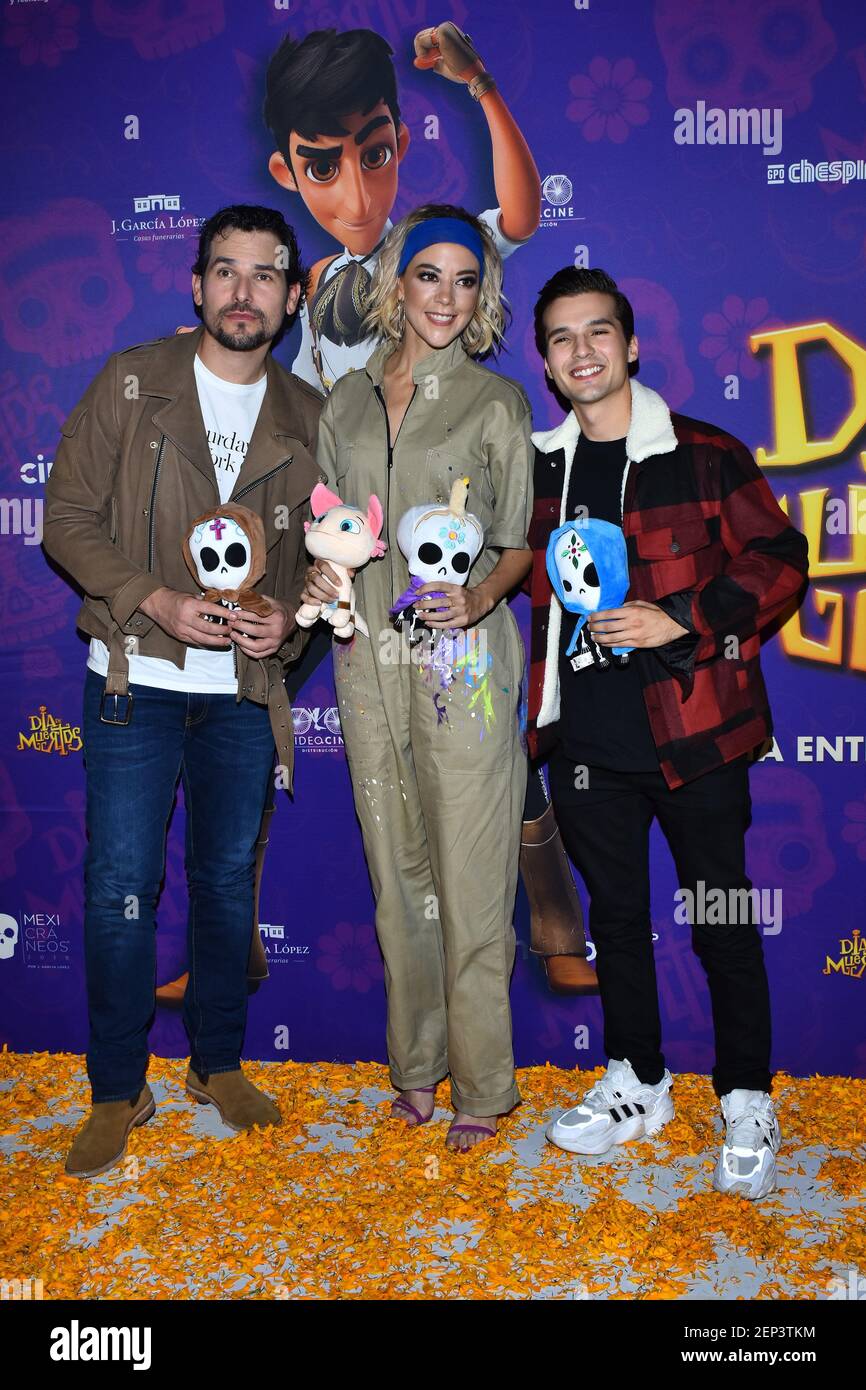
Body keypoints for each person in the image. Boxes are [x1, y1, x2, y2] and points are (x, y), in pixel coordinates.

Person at [43, 205, 322, 1178]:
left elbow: (323, 566)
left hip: (242, 691)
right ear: (196, 285)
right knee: (121, 887)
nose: (242, 292)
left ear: (292, 298)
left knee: (220, 884)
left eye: (264, 275)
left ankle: (216, 1066)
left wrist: (286, 616)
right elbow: (67, 518)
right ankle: (119, 1087)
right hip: (136, 677)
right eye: (225, 271)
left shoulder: (309, 416)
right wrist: (149, 597)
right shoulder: (131, 382)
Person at [524, 268, 808, 1198]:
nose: (583, 352)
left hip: (699, 740)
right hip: (588, 747)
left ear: (632, 345)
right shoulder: (541, 469)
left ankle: (746, 1097)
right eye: (563, 339)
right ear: (549, 363)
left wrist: (681, 614)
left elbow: (779, 560)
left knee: (722, 921)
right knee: (616, 921)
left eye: (598, 332)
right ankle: (638, 1082)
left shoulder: (706, 453)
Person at [301, 205, 533, 1150]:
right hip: (368, 661)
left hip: (464, 666)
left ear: (481, 296)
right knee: (397, 879)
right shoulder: (343, 402)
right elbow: (332, 526)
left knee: (472, 881)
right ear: (395, 284)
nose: (445, 295)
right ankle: (416, 1067)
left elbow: (517, 543)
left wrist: (479, 603)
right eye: (428, 275)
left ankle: (484, 1085)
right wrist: (322, 573)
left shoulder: (496, 402)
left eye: (465, 279)